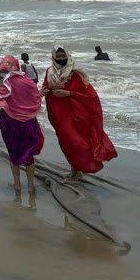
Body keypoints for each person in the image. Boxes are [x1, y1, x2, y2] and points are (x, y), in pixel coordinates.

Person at [42, 46, 117, 183]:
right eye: (58, 57)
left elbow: (89, 94)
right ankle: (75, 170)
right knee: (66, 142)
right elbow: (45, 87)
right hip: (58, 113)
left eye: (62, 56)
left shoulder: (76, 72)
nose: (61, 59)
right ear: (53, 57)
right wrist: (47, 90)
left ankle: (77, 171)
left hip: (75, 113)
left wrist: (69, 93)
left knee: (75, 142)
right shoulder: (50, 71)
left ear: (67, 55)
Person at [0, 55, 44, 194]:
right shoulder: (26, 81)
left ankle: (17, 184)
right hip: (27, 121)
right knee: (28, 155)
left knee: (13, 153)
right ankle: (31, 186)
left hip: (9, 122)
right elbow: (36, 96)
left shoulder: (1, 82)